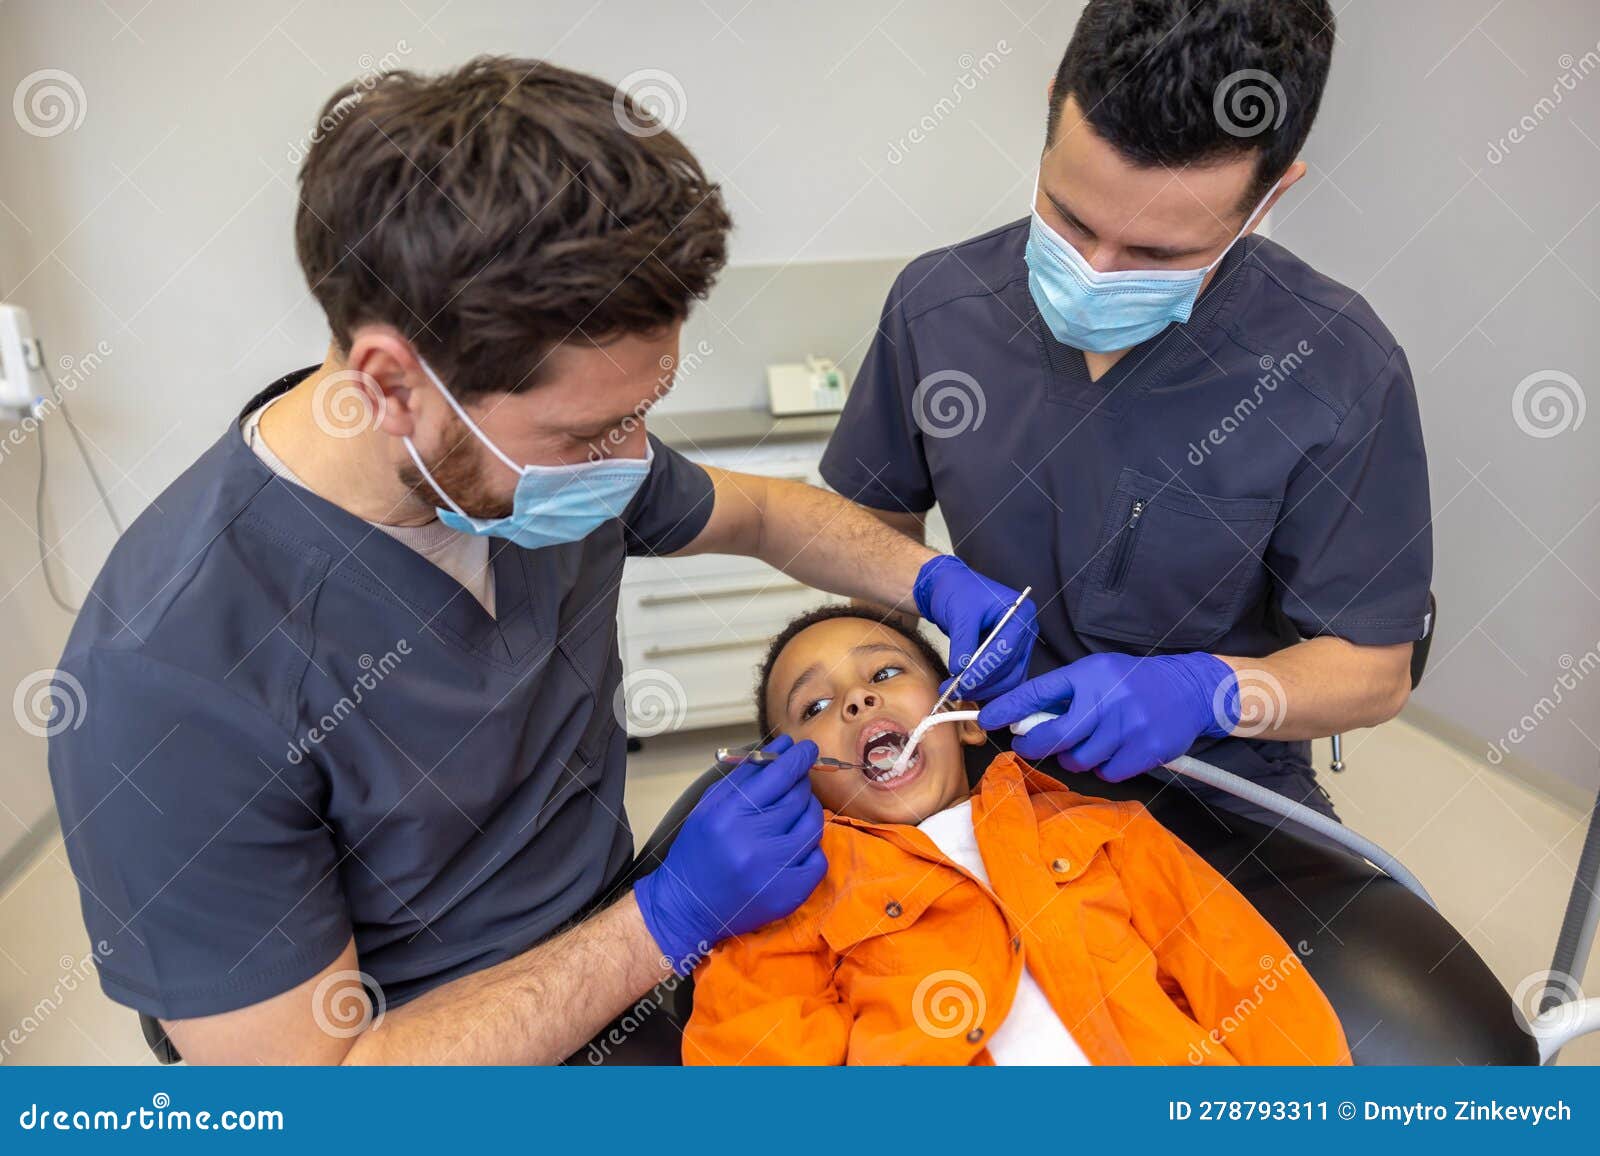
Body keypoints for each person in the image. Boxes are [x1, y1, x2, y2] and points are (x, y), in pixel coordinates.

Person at [44, 58, 1038, 1065]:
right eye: (593, 432)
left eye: (643, 414)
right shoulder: (166, 672)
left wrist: (926, 581)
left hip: (628, 955)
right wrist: (666, 919)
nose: (631, 459)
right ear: (392, 386)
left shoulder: (543, 462)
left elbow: (768, 517)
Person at [820, 0, 1431, 825]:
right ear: (1050, 113)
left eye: (1157, 253)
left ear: (1268, 197)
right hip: (983, 764)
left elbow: (1377, 668)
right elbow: (869, 528)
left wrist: (1216, 693)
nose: (1094, 270)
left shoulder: (1336, 366)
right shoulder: (939, 307)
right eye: (1068, 216)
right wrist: (910, 650)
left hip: (1217, 790)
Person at [682, 607, 1350, 1065]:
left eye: (885, 674)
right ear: (795, 774)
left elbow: (1254, 987)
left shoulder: (1108, 834)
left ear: (965, 718)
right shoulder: (787, 907)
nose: (857, 701)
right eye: (816, 707)